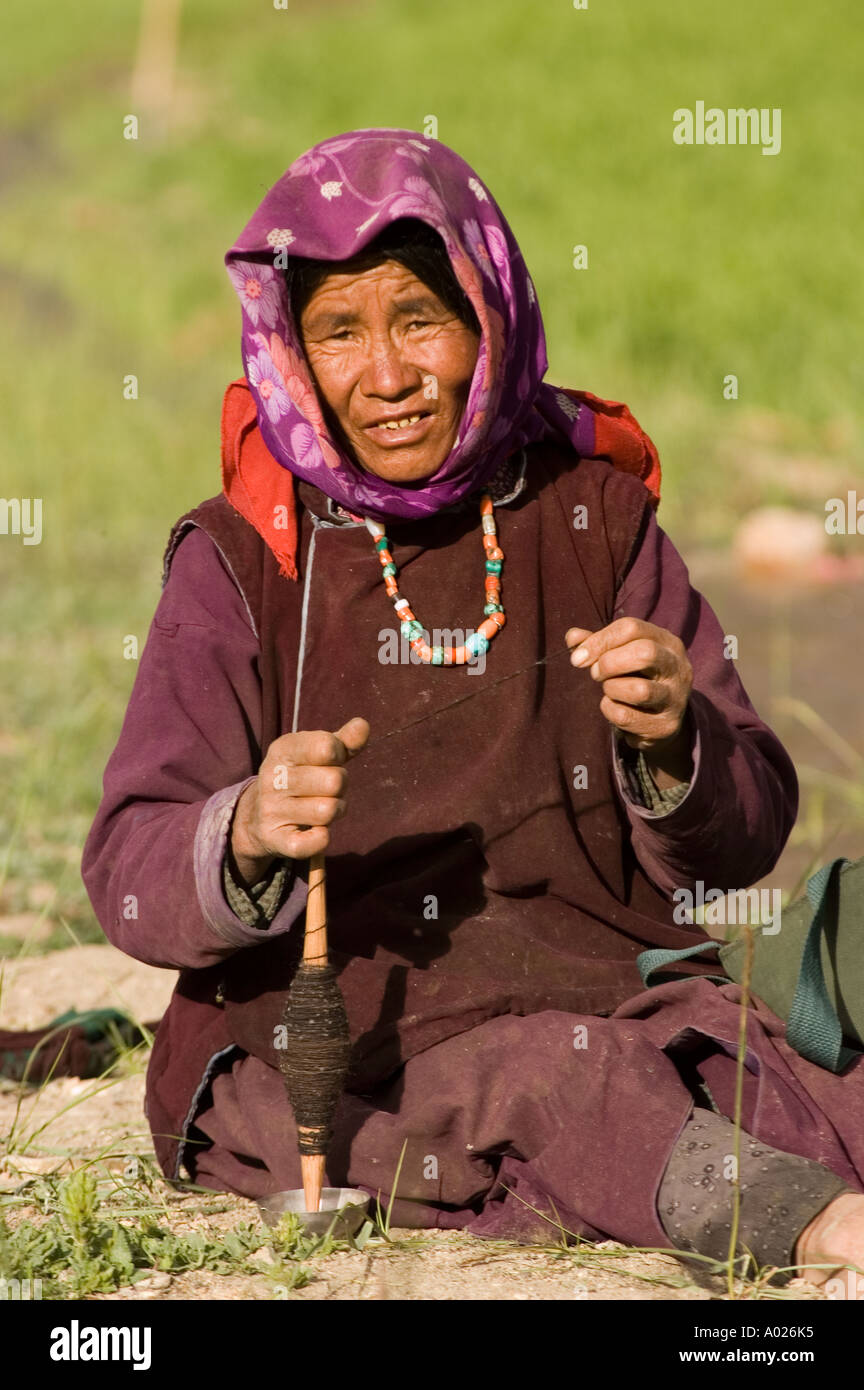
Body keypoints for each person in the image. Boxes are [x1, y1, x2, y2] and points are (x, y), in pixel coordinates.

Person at [82, 128, 864, 1285]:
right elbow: (128, 863)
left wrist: (671, 743)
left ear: (490, 320)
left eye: (418, 320)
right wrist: (242, 829)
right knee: (561, 1084)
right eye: (339, 332)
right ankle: (815, 1231)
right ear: (290, 352)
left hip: (615, 988)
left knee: (805, 1066)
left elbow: (746, 832)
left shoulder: (592, 513)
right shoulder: (247, 557)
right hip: (340, 1053)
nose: (385, 376)